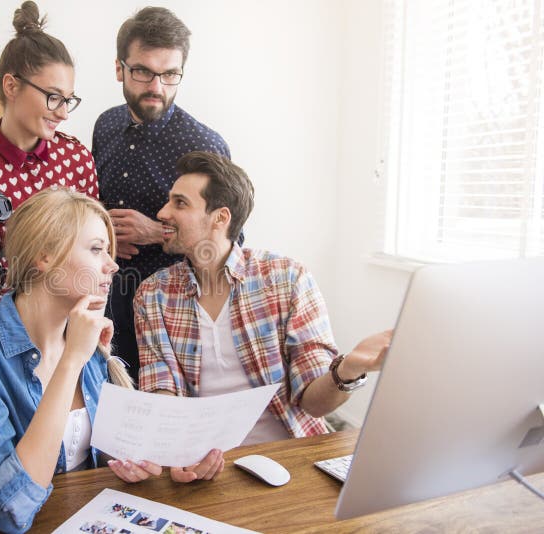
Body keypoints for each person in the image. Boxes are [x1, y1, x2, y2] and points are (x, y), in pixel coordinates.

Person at [0, 189, 168, 533]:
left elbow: (95, 456)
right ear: (44, 256)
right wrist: (71, 361)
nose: (113, 264)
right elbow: (8, 510)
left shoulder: (87, 339)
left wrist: (132, 461)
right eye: (96, 249)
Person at [135, 151, 391, 449]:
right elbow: (161, 392)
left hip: (287, 453)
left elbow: (314, 404)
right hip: (200, 460)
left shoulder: (288, 278)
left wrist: (347, 371)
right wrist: (170, 449)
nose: (162, 213)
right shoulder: (152, 294)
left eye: (180, 203)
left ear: (220, 218)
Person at [92, 7, 230, 379]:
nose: (157, 87)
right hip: (104, 308)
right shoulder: (105, 125)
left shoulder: (205, 145)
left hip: (173, 321)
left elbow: (229, 243)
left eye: (170, 74)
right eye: (143, 71)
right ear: (120, 68)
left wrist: (157, 231)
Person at [0, 0, 98, 323]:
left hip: (64, 322)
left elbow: (93, 253)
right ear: (11, 86)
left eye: (68, 100)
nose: (63, 112)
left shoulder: (76, 159)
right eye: (54, 97)